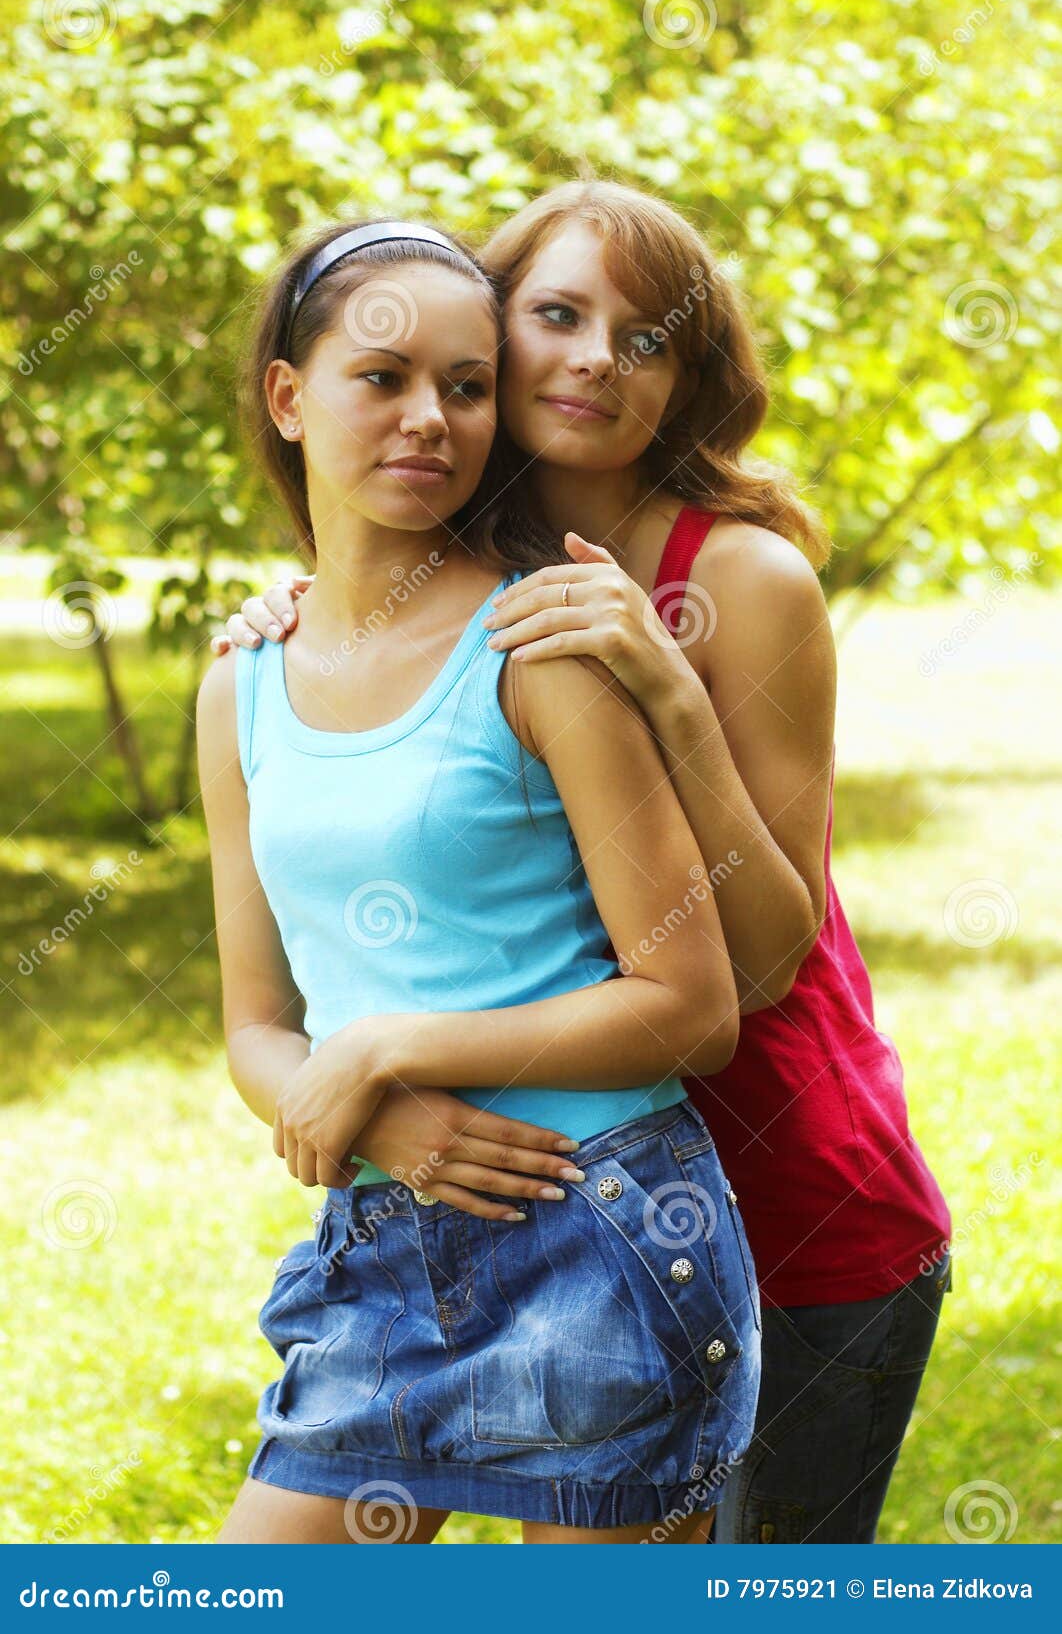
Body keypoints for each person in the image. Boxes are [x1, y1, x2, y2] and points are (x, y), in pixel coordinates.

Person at [213, 181, 952, 1544]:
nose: (597, 355)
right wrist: (285, 609)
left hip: (787, 1180)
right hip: (516, 1163)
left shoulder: (739, 577)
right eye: (553, 315)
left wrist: (666, 686)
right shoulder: (456, 572)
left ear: (690, 383)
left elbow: (766, 955)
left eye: (646, 338)